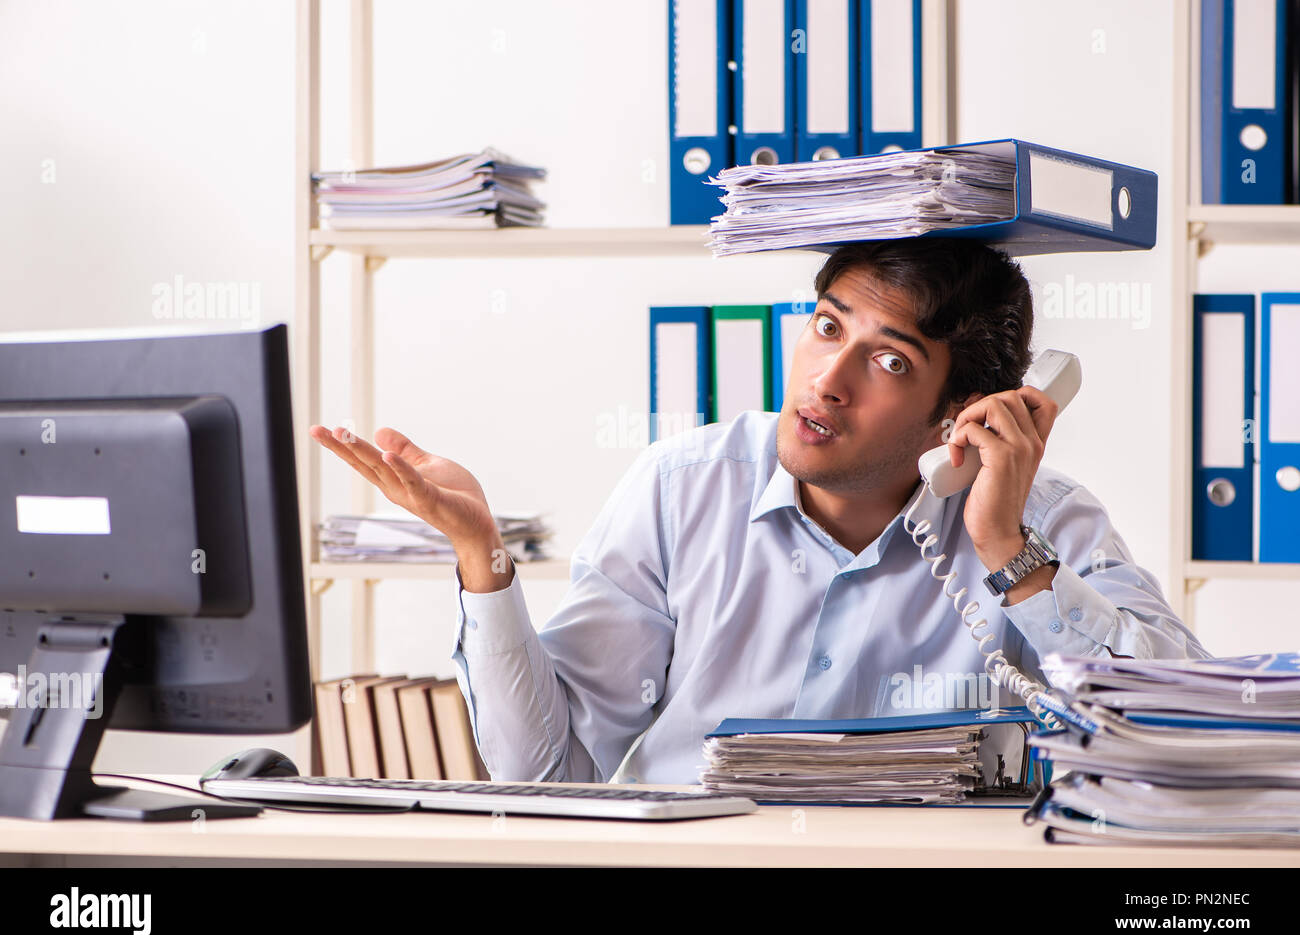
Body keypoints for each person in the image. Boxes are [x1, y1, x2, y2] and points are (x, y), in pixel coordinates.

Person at [310, 237, 1209, 785]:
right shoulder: (681, 486)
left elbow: (1186, 731)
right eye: (827, 326)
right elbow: (548, 772)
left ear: (960, 411)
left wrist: (1012, 555)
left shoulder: (1039, 518)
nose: (829, 379)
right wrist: (482, 556)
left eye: (889, 361)